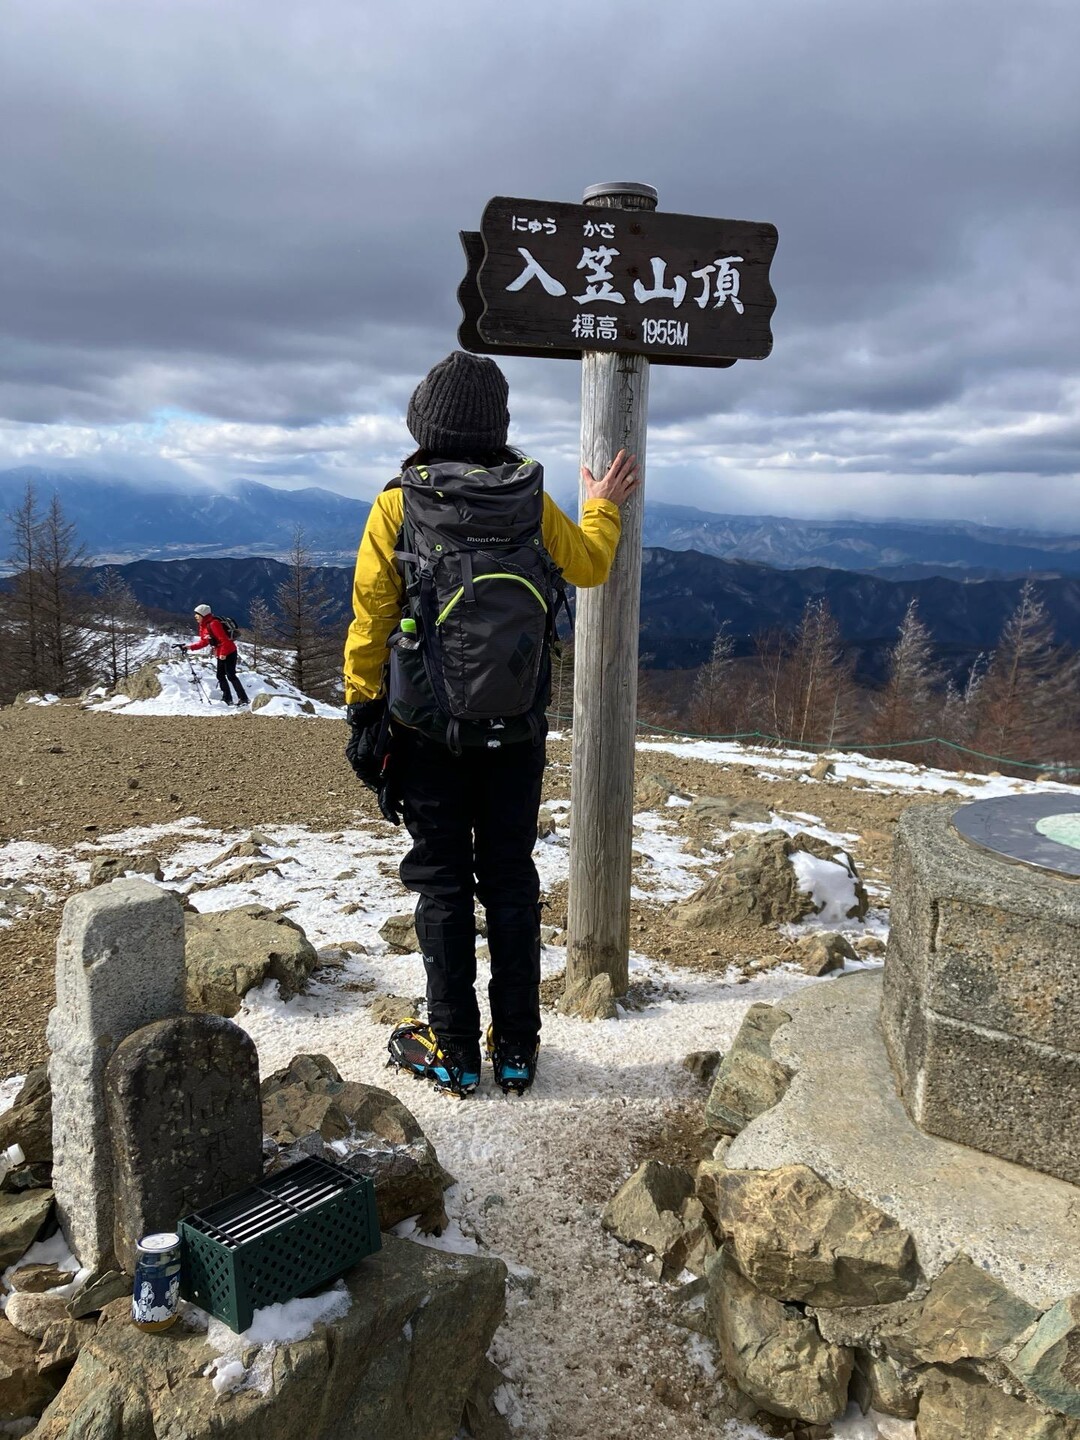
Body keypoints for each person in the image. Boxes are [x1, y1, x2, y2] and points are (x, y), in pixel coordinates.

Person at [344, 350, 639, 1098]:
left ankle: (454, 1051)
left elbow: (372, 617)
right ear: (497, 428)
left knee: (442, 883)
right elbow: (591, 567)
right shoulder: (528, 499)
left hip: (425, 731)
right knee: (509, 877)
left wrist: (363, 709)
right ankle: (516, 1050)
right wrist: (602, 505)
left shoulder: (398, 505)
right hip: (516, 730)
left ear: (424, 426)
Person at [180, 604, 249, 706]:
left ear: (203, 614)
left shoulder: (214, 624)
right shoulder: (203, 626)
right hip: (220, 653)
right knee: (220, 675)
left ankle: (243, 699)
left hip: (229, 651)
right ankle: (227, 698)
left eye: (197, 614)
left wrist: (223, 654)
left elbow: (224, 640)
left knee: (231, 675)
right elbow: (204, 642)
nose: (195, 616)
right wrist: (190, 647)